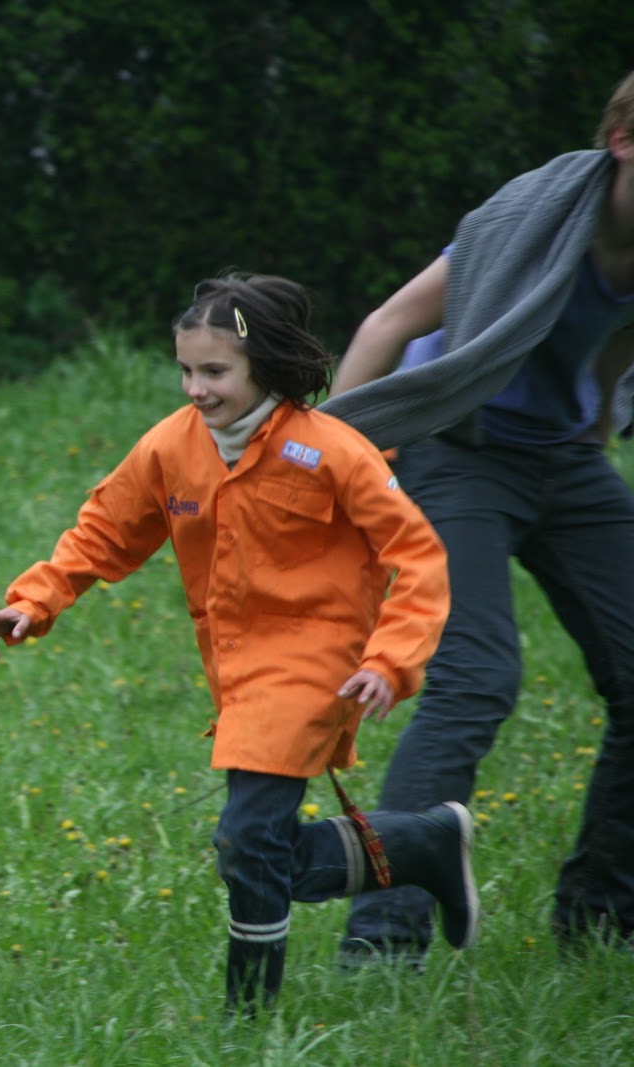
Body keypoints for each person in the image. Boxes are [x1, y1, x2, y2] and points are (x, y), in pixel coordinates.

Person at [0, 273, 475, 1014]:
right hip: (237, 672)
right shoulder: (170, 445)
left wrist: (391, 661)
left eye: (214, 371)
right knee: (260, 850)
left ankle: (247, 1019)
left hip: (317, 665)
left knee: (246, 839)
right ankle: (420, 846)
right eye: (186, 370)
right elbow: (105, 531)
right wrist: (33, 601)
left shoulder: (333, 451)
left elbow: (419, 556)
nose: (195, 389)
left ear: (263, 365)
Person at [322, 70, 634, 966]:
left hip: (563, 457)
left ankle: (601, 915)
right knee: (476, 675)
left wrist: (593, 429)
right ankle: (382, 937)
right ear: (622, 142)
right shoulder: (532, 217)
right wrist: (336, 463)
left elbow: (615, 342)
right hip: (459, 445)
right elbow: (388, 322)